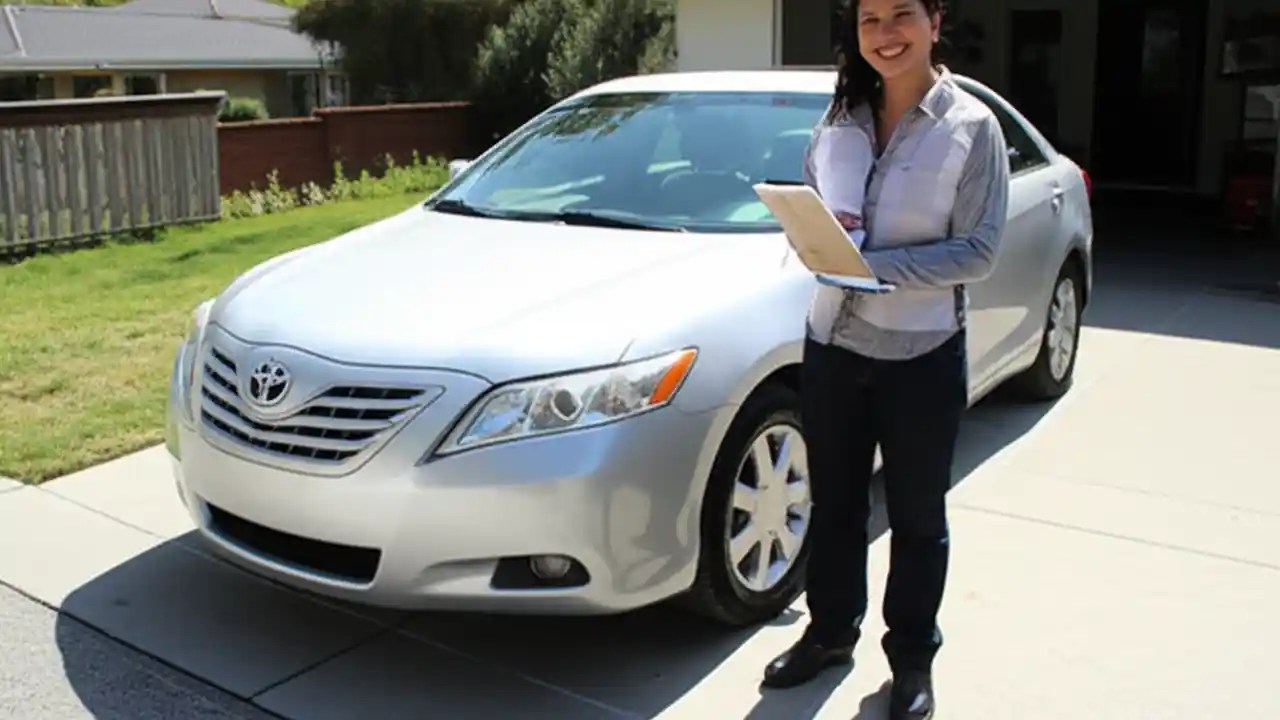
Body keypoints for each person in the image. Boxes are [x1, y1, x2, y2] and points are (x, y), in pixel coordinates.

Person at [760, 1, 1011, 719]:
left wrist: (869, 264)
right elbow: (821, 206)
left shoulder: (971, 128)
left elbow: (979, 251)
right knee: (834, 505)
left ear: (936, 20)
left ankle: (910, 664)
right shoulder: (837, 121)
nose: (886, 33)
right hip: (834, 347)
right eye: (870, 19)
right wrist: (815, 232)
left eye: (903, 13)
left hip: (920, 356)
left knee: (916, 519)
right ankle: (830, 634)